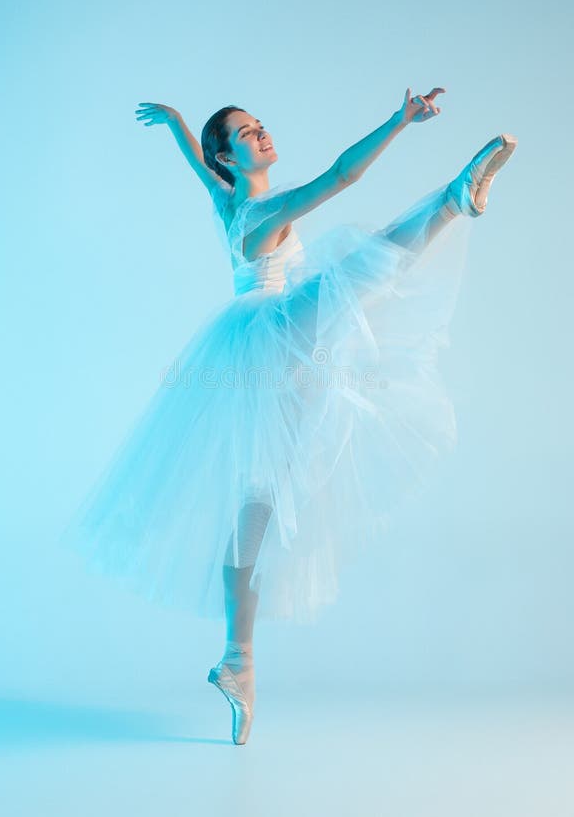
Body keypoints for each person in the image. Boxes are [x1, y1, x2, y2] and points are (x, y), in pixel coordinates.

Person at [61, 89, 517, 744]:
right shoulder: (263, 210)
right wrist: (398, 119)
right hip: (273, 335)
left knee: (259, 501)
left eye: (260, 125)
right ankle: (451, 200)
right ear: (232, 156)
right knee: (357, 273)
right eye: (247, 134)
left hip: (269, 360)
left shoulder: (226, 200)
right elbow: (340, 176)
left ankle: (237, 661)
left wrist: (177, 126)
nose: (263, 135)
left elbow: (198, 165)